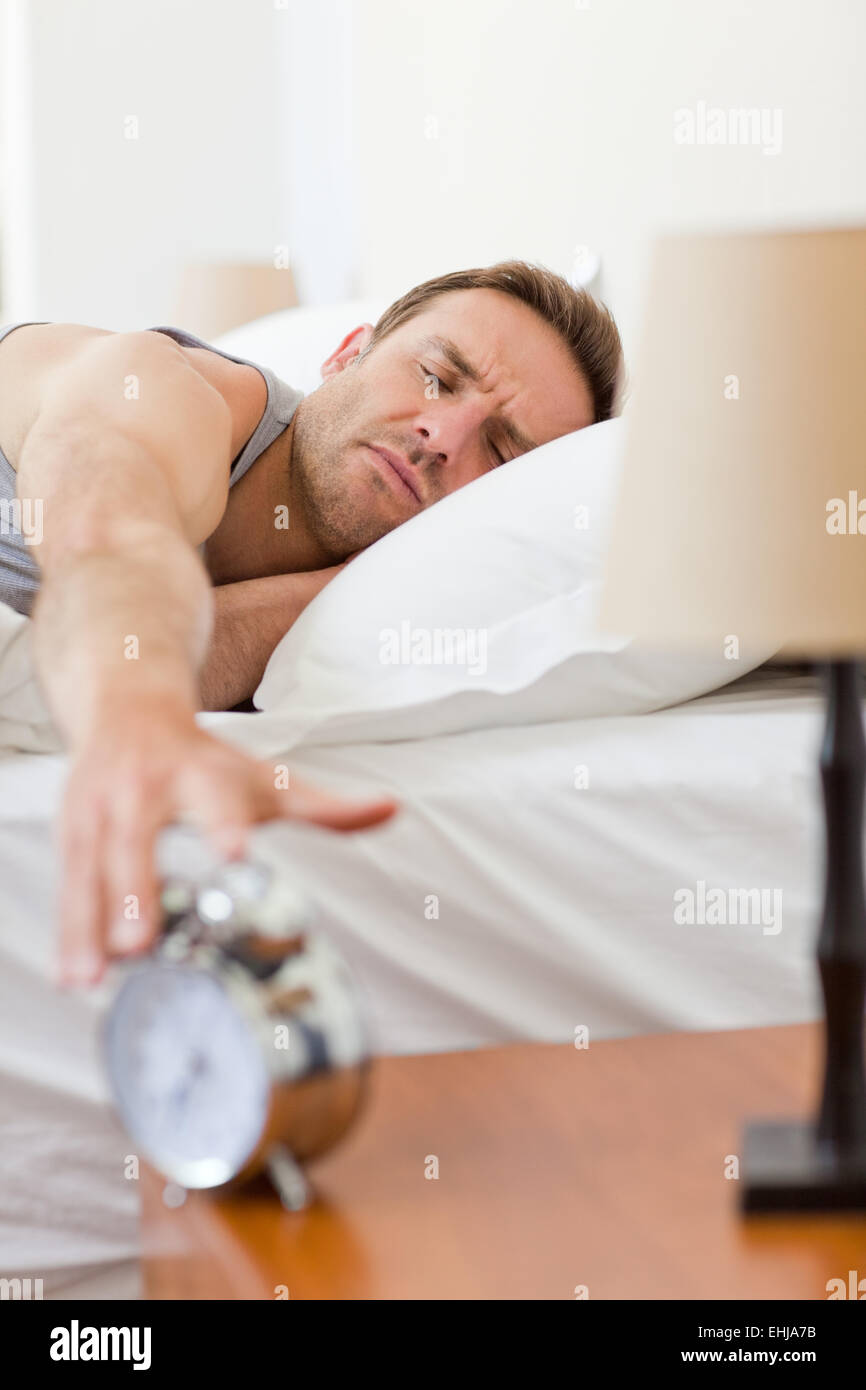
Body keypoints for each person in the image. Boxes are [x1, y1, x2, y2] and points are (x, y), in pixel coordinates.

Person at [0, 260, 622, 986]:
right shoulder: (165, 388)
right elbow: (109, 535)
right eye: (436, 376)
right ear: (346, 354)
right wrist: (137, 715)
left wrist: (332, 589)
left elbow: (196, 641)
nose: (444, 433)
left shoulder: (381, 589)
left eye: (504, 449)